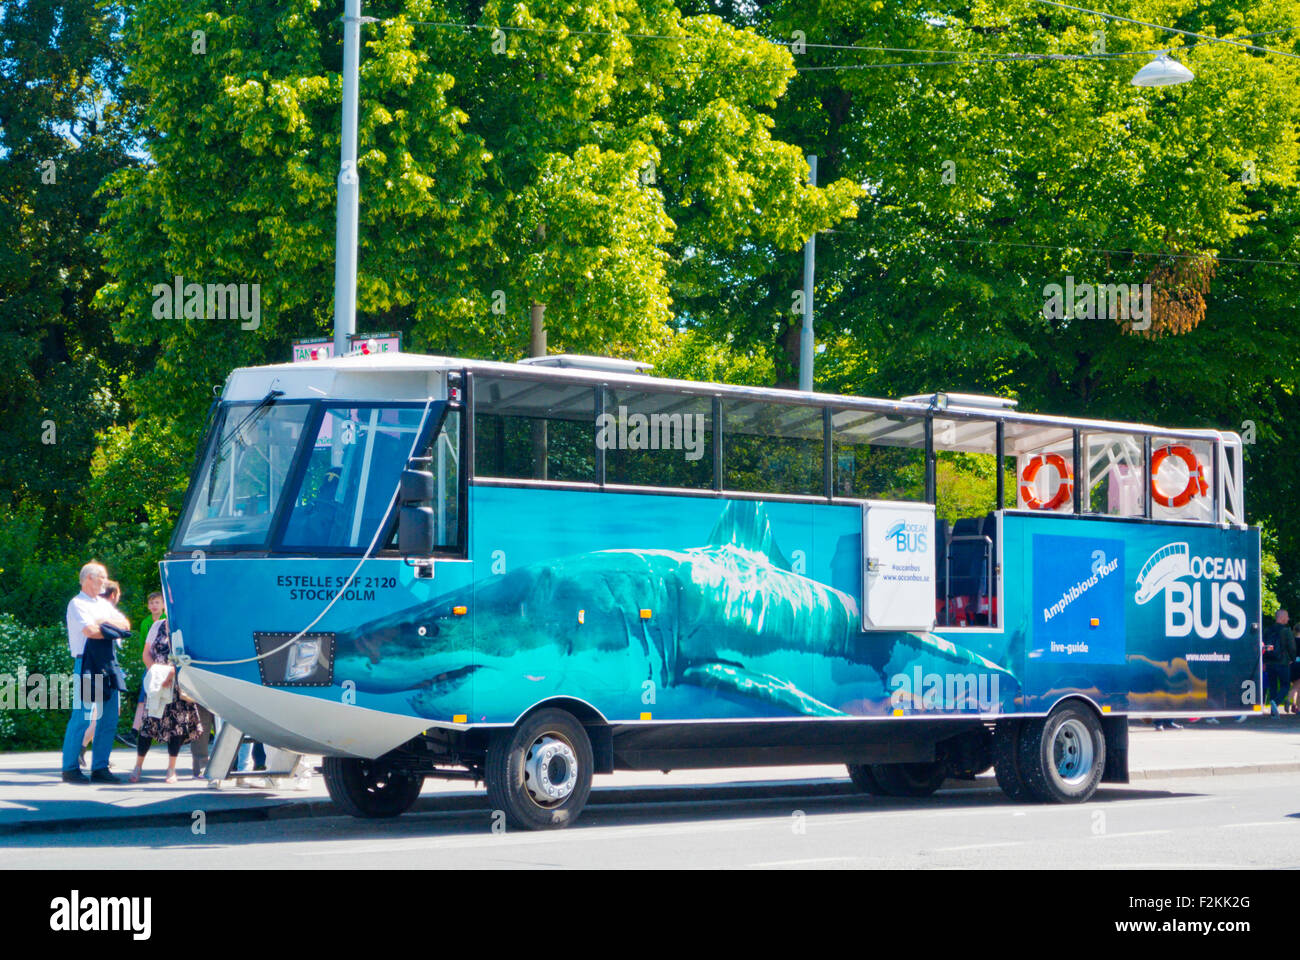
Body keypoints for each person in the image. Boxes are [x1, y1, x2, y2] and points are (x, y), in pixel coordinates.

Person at [61, 563, 129, 784]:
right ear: (89, 578)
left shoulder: (102, 604)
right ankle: (70, 768)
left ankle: (100, 767)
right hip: (87, 663)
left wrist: (103, 624)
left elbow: (126, 625)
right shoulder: (77, 603)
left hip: (108, 662)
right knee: (82, 717)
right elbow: (89, 632)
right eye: (102, 578)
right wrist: (110, 627)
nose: (105, 582)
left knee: (109, 718)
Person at [129, 618, 203, 783]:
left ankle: (171, 769)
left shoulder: (187, 622)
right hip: (158, 683)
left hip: (179, 684)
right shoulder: (157, 625)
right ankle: (138, 766)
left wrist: (172, 673)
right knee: (148, 724)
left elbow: (194, 655)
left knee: (176, 726)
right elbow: (146, 653)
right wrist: (156, 672)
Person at [1263, 609, 1294, 716]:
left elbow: (1263, 646)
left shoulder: (1267, 630)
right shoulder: (1286, 631)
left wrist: (1264, 661)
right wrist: (1292, 659)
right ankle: (1275, 702)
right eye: (1287, 616)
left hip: (1270, 663)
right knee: (1285, 686)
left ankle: (1273, 712)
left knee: (1273, 687)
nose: (1288, 618)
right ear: (1282, 617)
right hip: (1283, 662)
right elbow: (1292, 647)